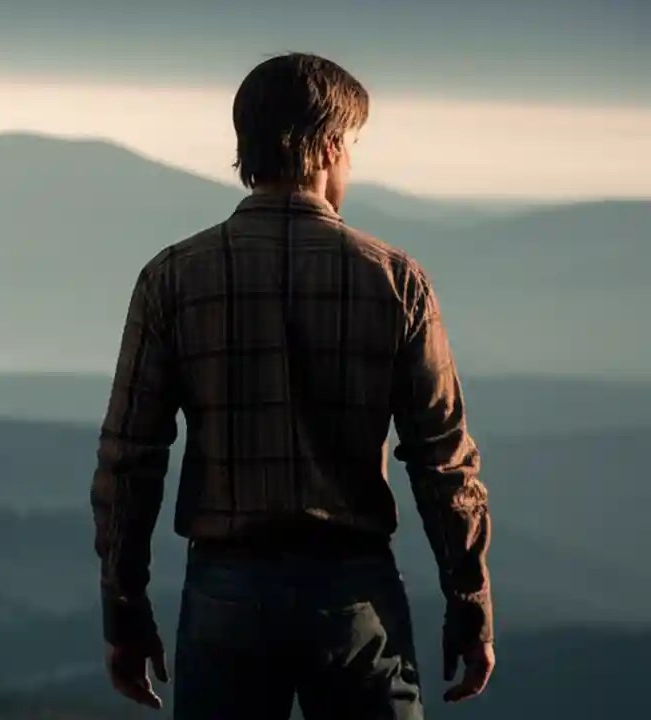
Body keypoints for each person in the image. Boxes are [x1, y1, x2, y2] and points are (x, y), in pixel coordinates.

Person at [89, 52, 495, 718]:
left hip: (226, 589)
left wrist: (124, 609)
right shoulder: (396, 282)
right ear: (330, 146)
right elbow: (444, 463)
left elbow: (128, 458)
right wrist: (470, 601)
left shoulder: (172, 278)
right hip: (354, 592)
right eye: (353, 148)